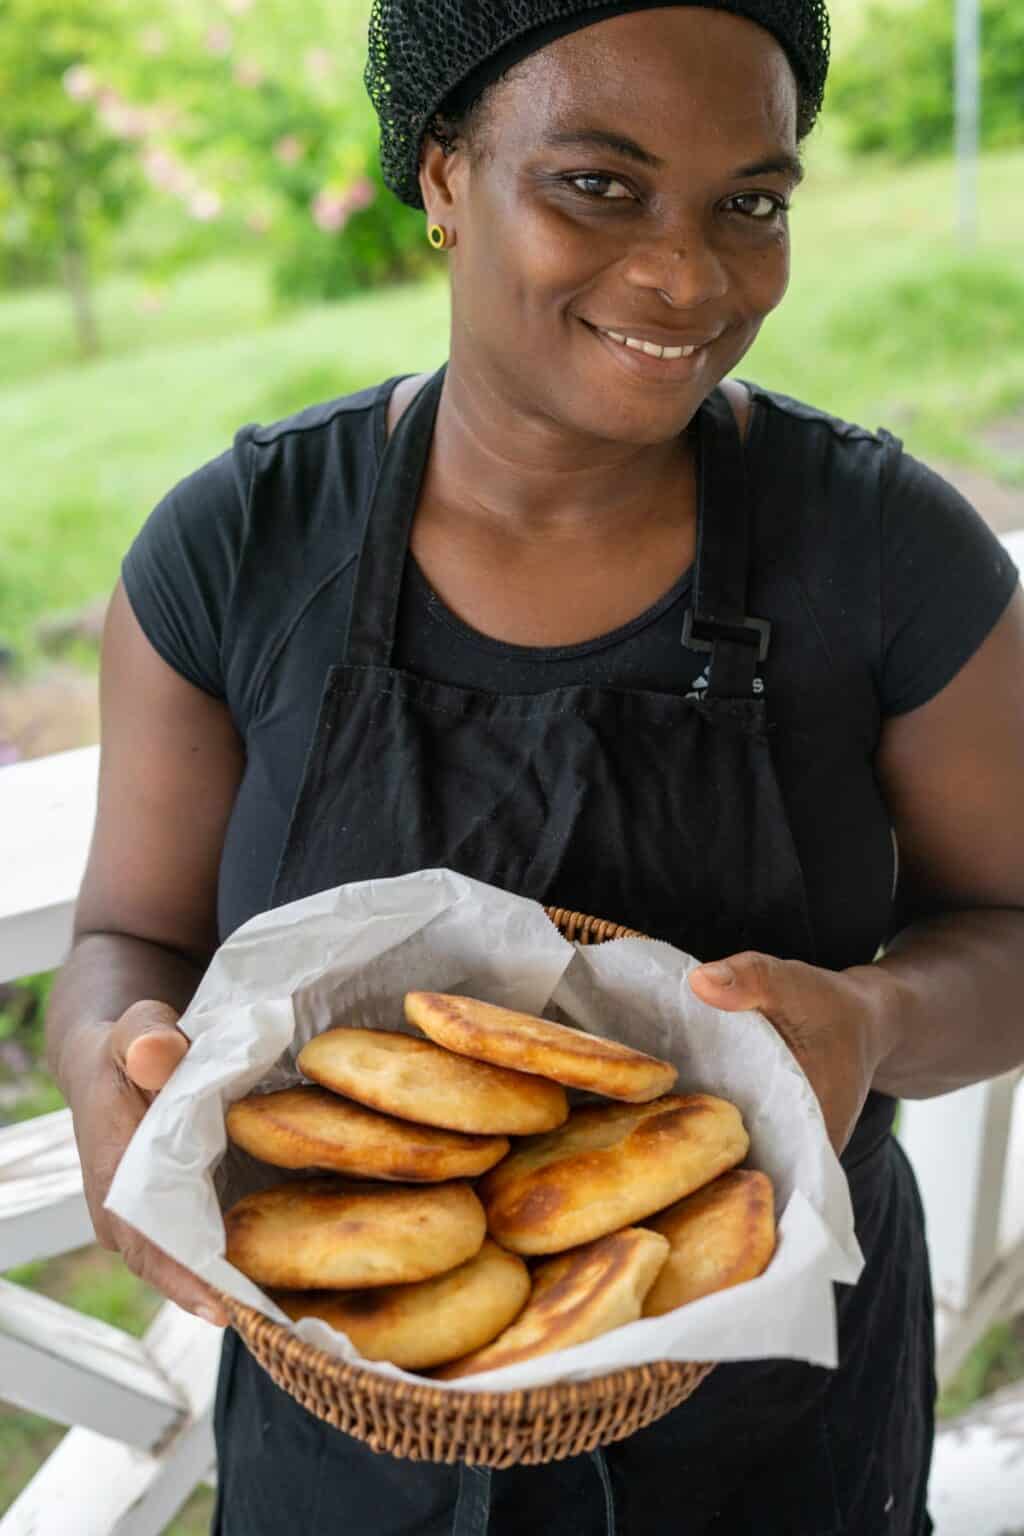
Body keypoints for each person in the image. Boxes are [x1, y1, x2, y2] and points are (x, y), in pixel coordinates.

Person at [46, 2, 1024, 1532]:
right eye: (597, 183)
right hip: (345, 1445)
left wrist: (875, 1022)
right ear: (442, 174)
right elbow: (124, 938)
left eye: (751, 204)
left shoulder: (891, 553)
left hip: (779, 1431)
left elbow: (1016, 930)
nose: (687, 274)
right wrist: (115, 1084)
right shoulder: (237, 550)